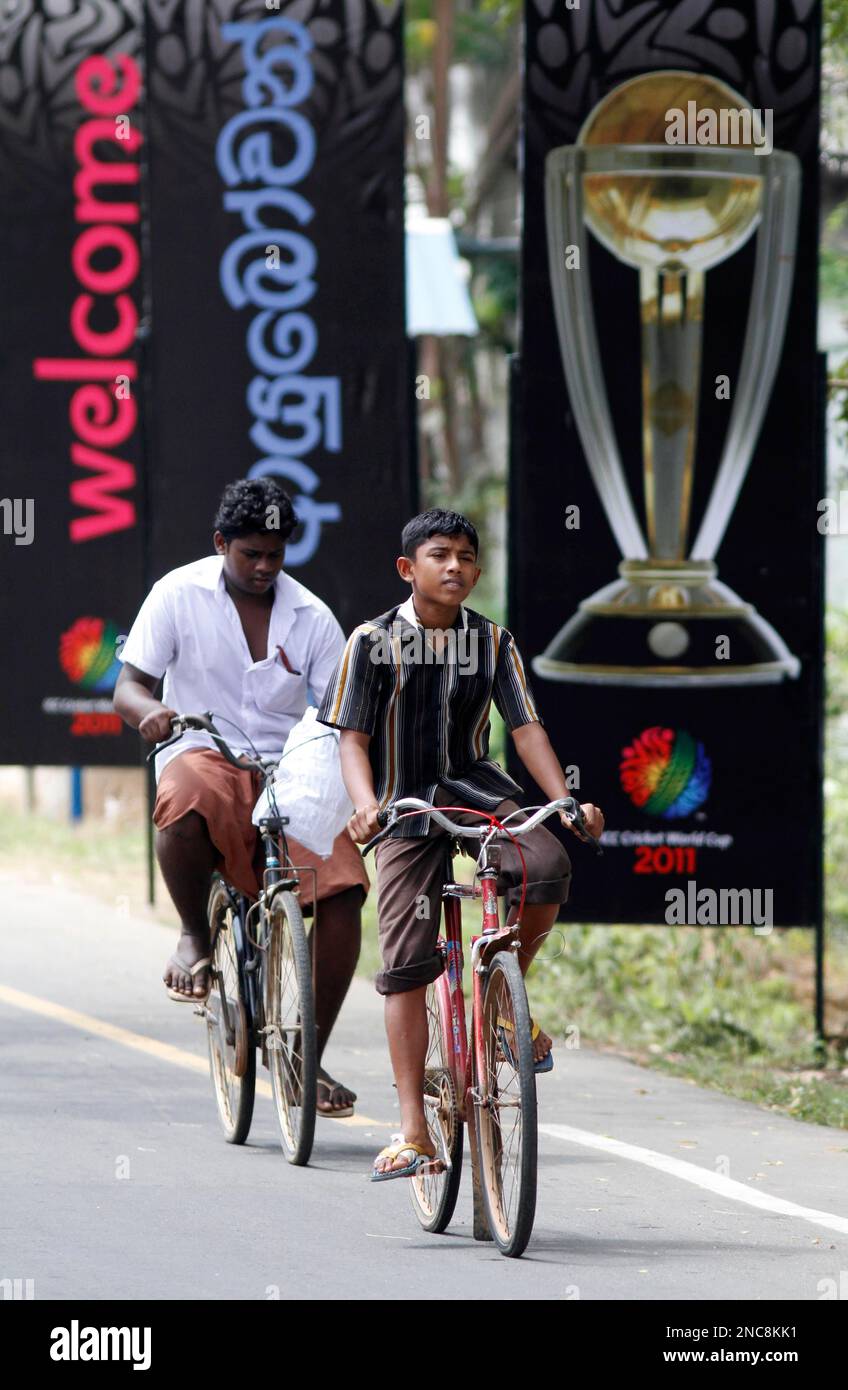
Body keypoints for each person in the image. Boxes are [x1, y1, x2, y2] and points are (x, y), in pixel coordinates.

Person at [317, 508, 604, 1178]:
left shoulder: (493, 641)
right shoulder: (371, 642)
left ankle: (503, 1003)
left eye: (466, 557)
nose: (455, 567)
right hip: (402, 802)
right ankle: (415, 1131)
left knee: (544, 863)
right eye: (439, 555)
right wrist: (366, 809)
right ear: (407, 568)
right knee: (407, 965)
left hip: (474, 788)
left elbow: (526, 727)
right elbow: (351, 738)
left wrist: (561, 801)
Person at [113, 478, 369, 1118]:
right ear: (221, 543)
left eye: (275, 555)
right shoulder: (176, 594)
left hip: (291, 766)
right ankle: (195, 937)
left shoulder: (311, 617)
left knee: (344, 887)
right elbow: (129, 686)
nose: (262, 568)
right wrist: (150, 713)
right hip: (205, 748)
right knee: (185, 791)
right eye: (249, 553)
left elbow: (342, 712)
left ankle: (302, 1059)